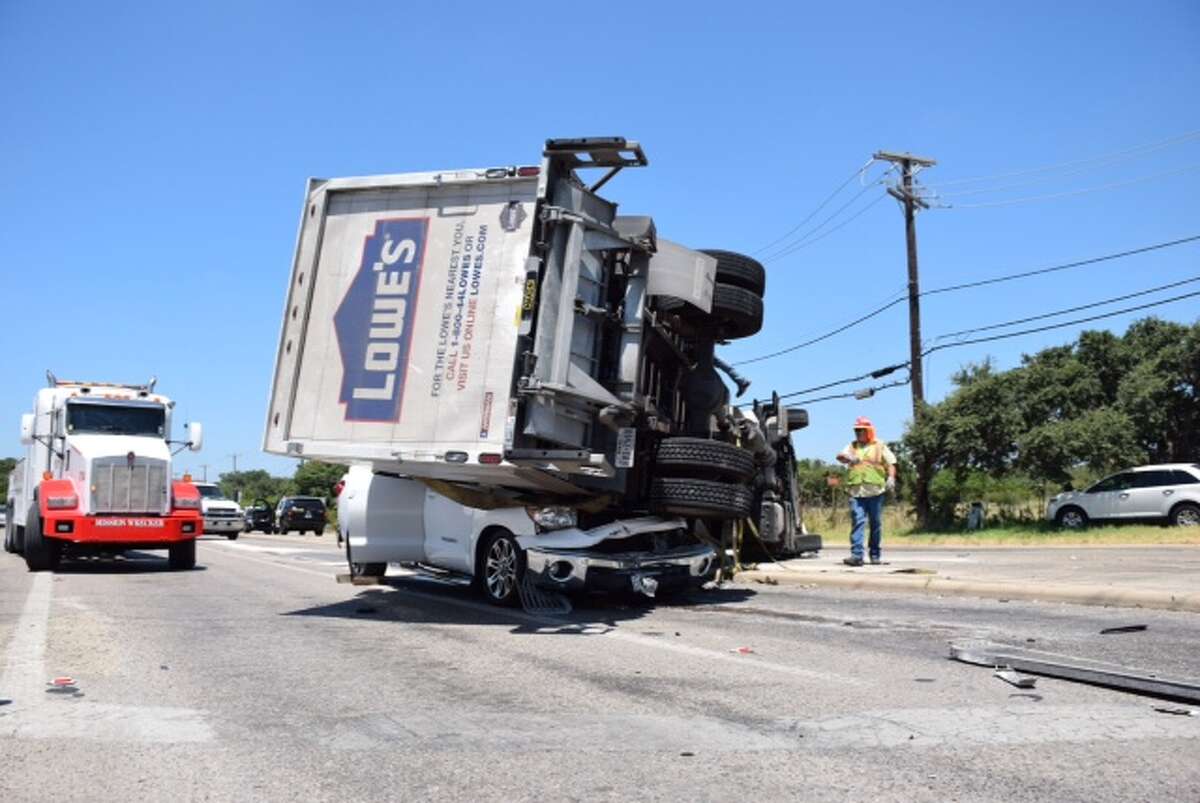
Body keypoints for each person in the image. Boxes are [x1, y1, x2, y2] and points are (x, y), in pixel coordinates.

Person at [835, 416, 897, 566]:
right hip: (856, 492)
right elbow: (839, 456)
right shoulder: (852, 446)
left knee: (875, 524)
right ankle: (857, 556)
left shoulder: (879, 445)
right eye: (856, 430)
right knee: (858, 521)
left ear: (868, 431)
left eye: (861, 430)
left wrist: (891, 478)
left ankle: (875, 555)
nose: (858, 433)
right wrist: (848, 457)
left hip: (875, 491)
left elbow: (891, 463)